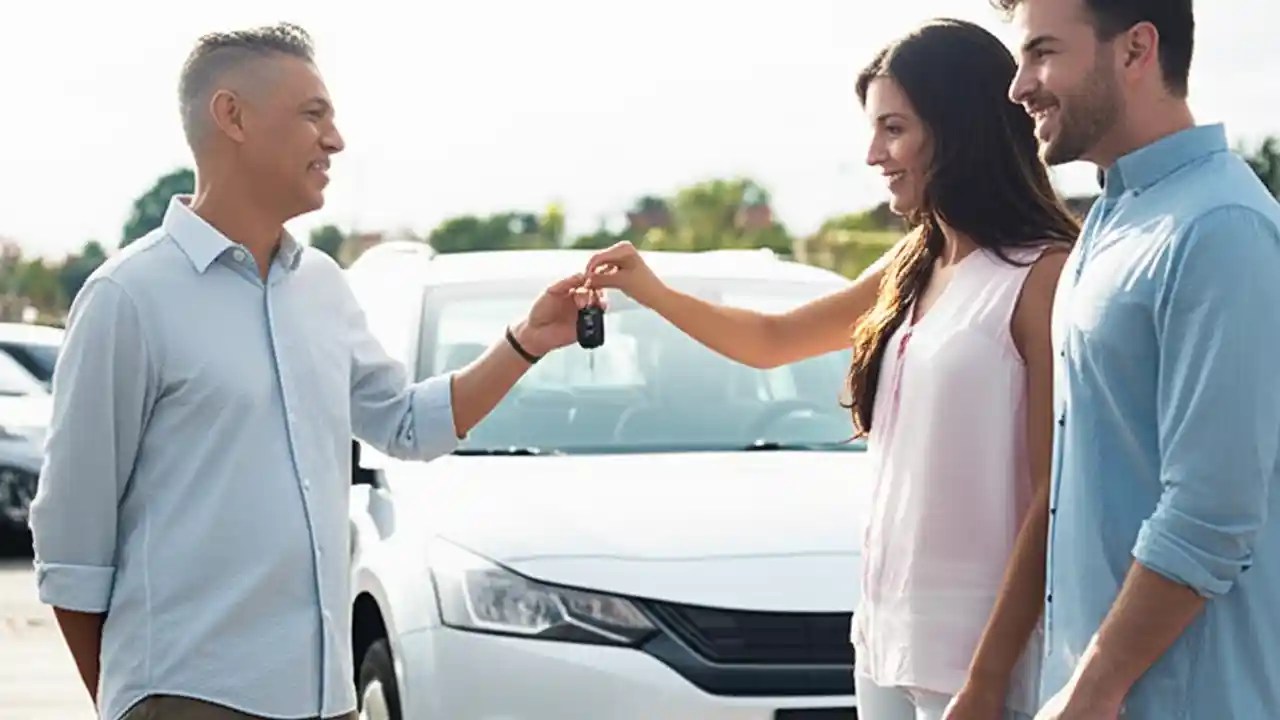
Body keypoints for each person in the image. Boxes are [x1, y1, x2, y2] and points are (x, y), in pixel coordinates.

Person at [27, 23, 596, 720]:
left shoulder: (321, 286)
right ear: (232, 116)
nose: (335, 140)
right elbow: (71, 544)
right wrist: (132, 704)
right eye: (312, 114)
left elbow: (408, 425)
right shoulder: (129, 299)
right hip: (189, 697)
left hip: (326, 699)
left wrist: (526, 342)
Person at [580, 18, 1079, 720]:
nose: (874, 154)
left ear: (958, 127)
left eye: (894, 129)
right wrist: (651, 289)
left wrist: (990, 676)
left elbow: (1049, 498)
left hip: (981, 665)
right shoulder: (917, 262)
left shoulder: (1042, 275)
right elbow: (771, 339)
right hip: (882, 643)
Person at [993, 1, 1280, 718]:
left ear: (1135, 49)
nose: (1019, 86)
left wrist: (1092, 691)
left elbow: (1210, 511)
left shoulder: (1221, 228)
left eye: (1042, 53)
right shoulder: (1116, 215)